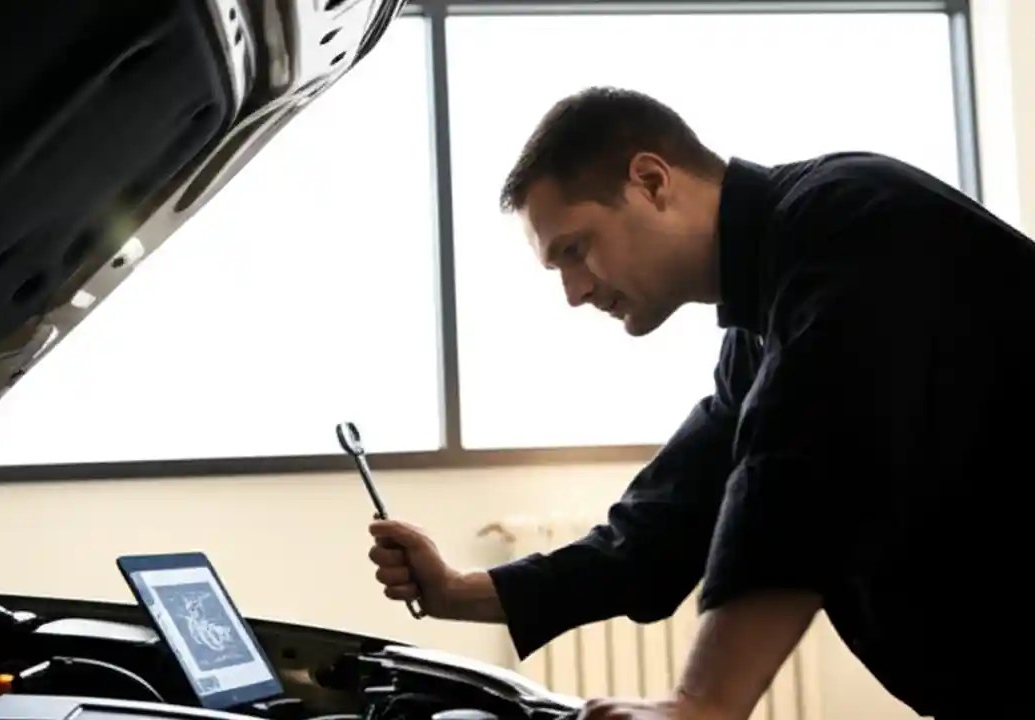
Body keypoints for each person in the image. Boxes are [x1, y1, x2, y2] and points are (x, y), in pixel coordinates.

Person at [367, 87, 1029, 720]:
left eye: (576, 249)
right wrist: (458, 590)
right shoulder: (757, 328)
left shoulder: (852, 218)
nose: (573, 291)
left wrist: (702, 705)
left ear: (652, 181)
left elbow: (804, 463)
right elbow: (663, 527)